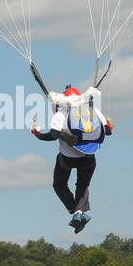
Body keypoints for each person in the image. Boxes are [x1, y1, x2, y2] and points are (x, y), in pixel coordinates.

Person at [31, 85, 115, 232]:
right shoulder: (93, 111)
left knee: (59, 185)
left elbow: (53, 135)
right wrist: (109, 125)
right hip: (88, 157)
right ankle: (79, 212)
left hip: (67, 158)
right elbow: (107, 132)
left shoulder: (61, 113)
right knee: (82, 186)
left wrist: (38, 135)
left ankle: (74, 210)